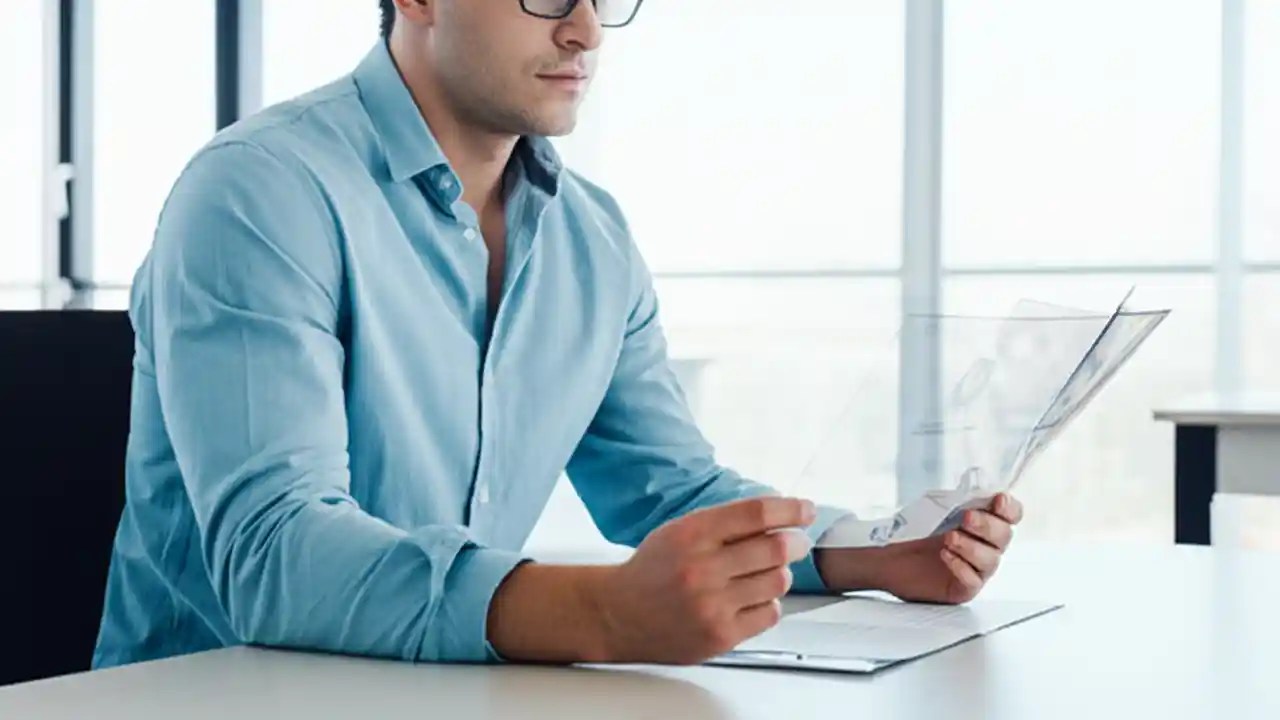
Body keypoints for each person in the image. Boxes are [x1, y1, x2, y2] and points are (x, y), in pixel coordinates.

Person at [93, 0, 1024, 669]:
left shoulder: (592, 235)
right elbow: (275, 555)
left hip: (444, 694)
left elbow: (670, 490)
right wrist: (603, 614)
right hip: (210, 696)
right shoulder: (261, 190)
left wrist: (870, 551)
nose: (583, 29)